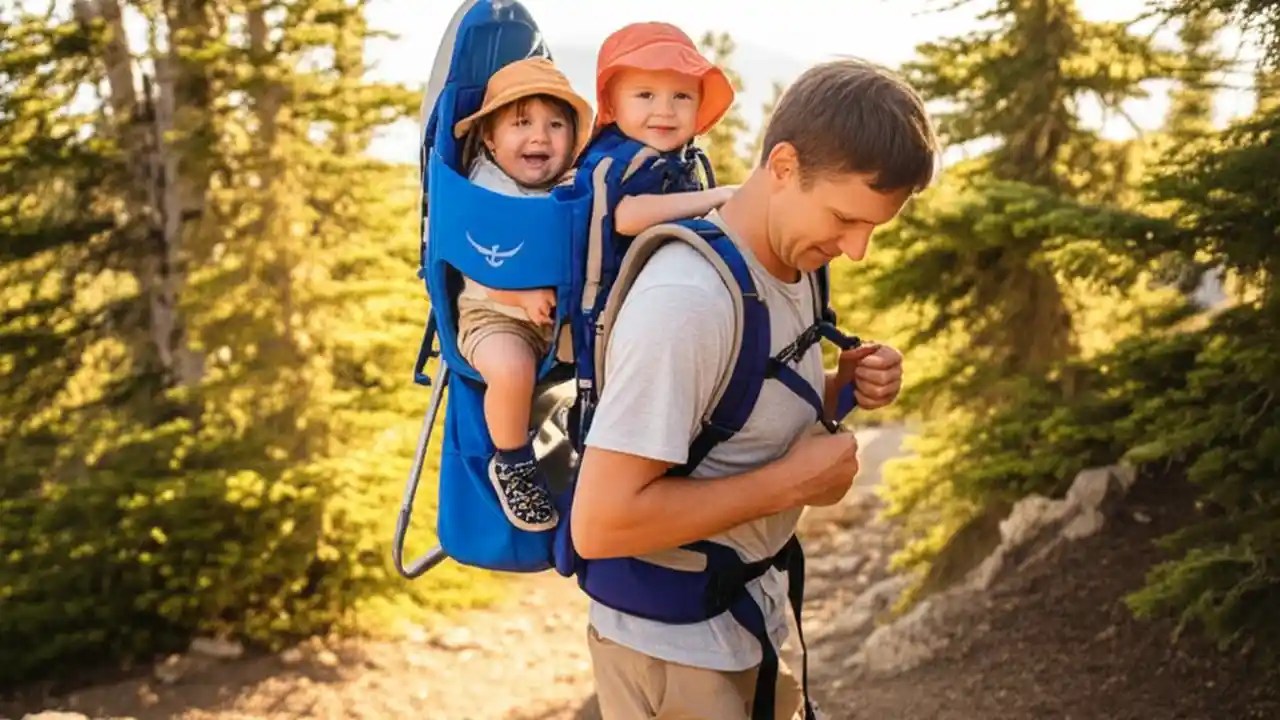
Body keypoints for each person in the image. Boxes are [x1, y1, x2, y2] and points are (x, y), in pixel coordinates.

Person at [570, 58, 940, 719]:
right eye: (845, 219)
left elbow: (729, 419)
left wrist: (840, 390)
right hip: (674, 652)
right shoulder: (686, 301)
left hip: (749, 620)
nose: (858, 250)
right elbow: (600, 523)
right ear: (783, 166)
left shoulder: (792, 268)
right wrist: (790, 486)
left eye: (874, 229)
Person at [451, 57, 593, 532]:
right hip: (493, 313)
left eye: (556, 125)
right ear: (490, 140)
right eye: (521, 123)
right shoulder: (484, 189)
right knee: (512, 370)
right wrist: (518, 298)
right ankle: (511, 462)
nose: (540, 136)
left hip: (562, 321)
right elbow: (470, 262)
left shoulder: (572, 186)